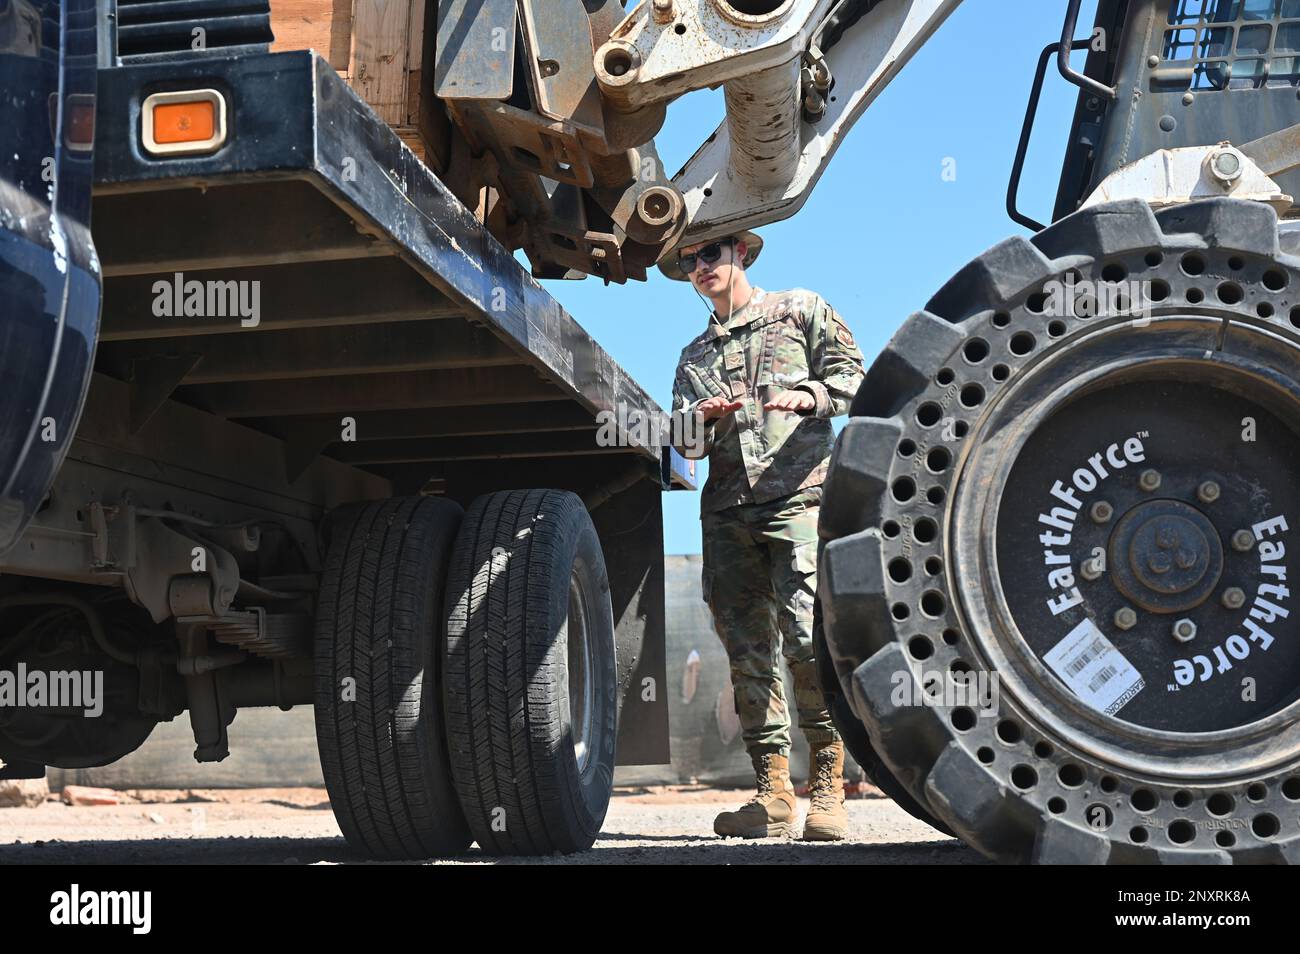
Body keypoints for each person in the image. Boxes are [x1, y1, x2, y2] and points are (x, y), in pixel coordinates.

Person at [663, 232, 866, 840]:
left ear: (740, 255)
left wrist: (807, 395)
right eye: (688, 261)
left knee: (807, 637)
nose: (699, 267)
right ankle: (772, 794)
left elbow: (855, 377)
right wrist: (697, 420)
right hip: (727, 512)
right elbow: (682, 446)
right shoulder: (693, 357)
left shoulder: (800, 309)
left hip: (799, 498)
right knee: (748, 652)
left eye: (709, 255)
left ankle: (828, 787)